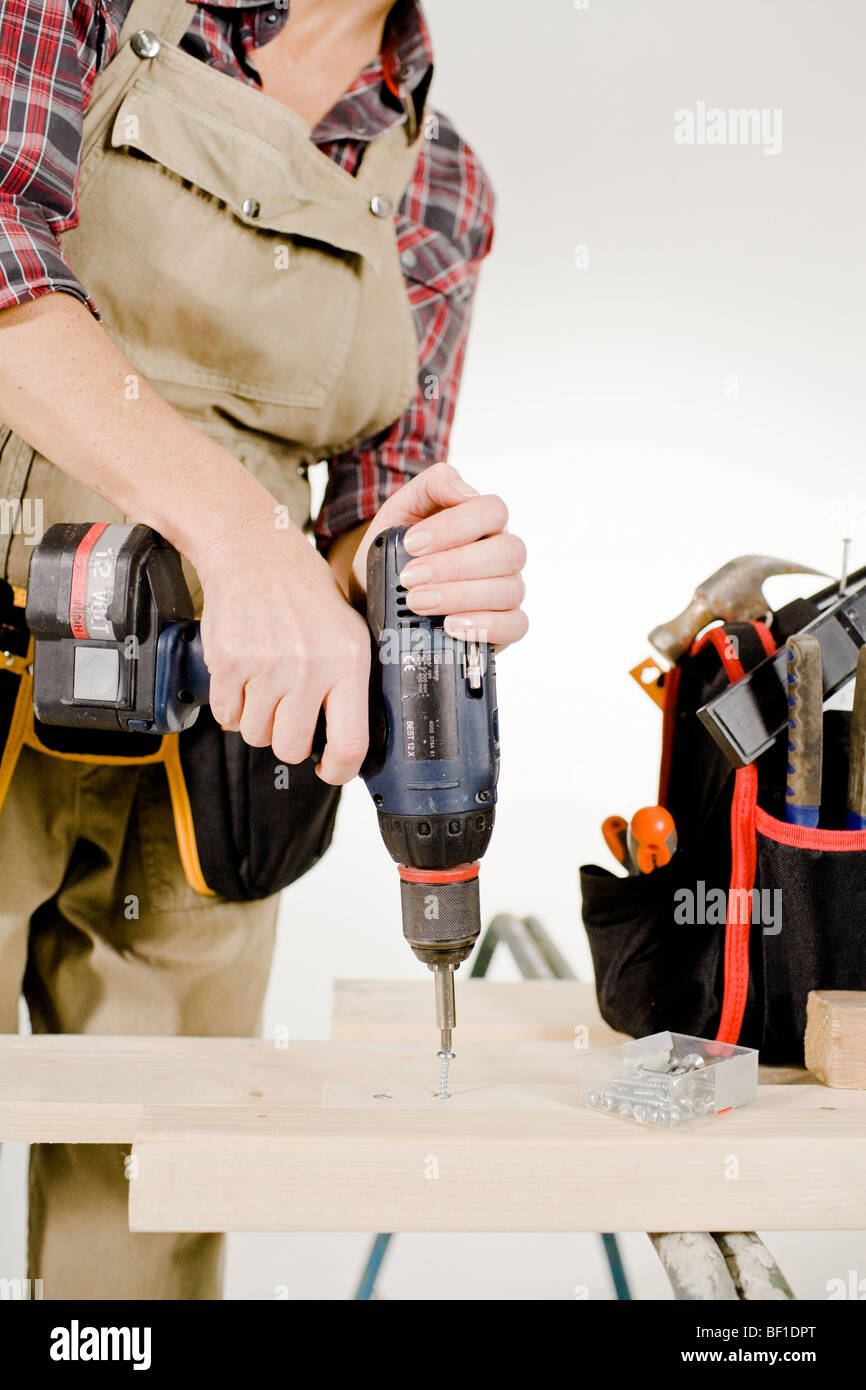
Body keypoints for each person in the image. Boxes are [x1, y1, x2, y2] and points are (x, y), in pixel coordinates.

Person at [0, 0, 528, 1299]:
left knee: (142, 1233)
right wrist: (236, 534)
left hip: (209, 770)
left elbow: (363, 511)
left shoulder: (441, 178)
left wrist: (414, 566)